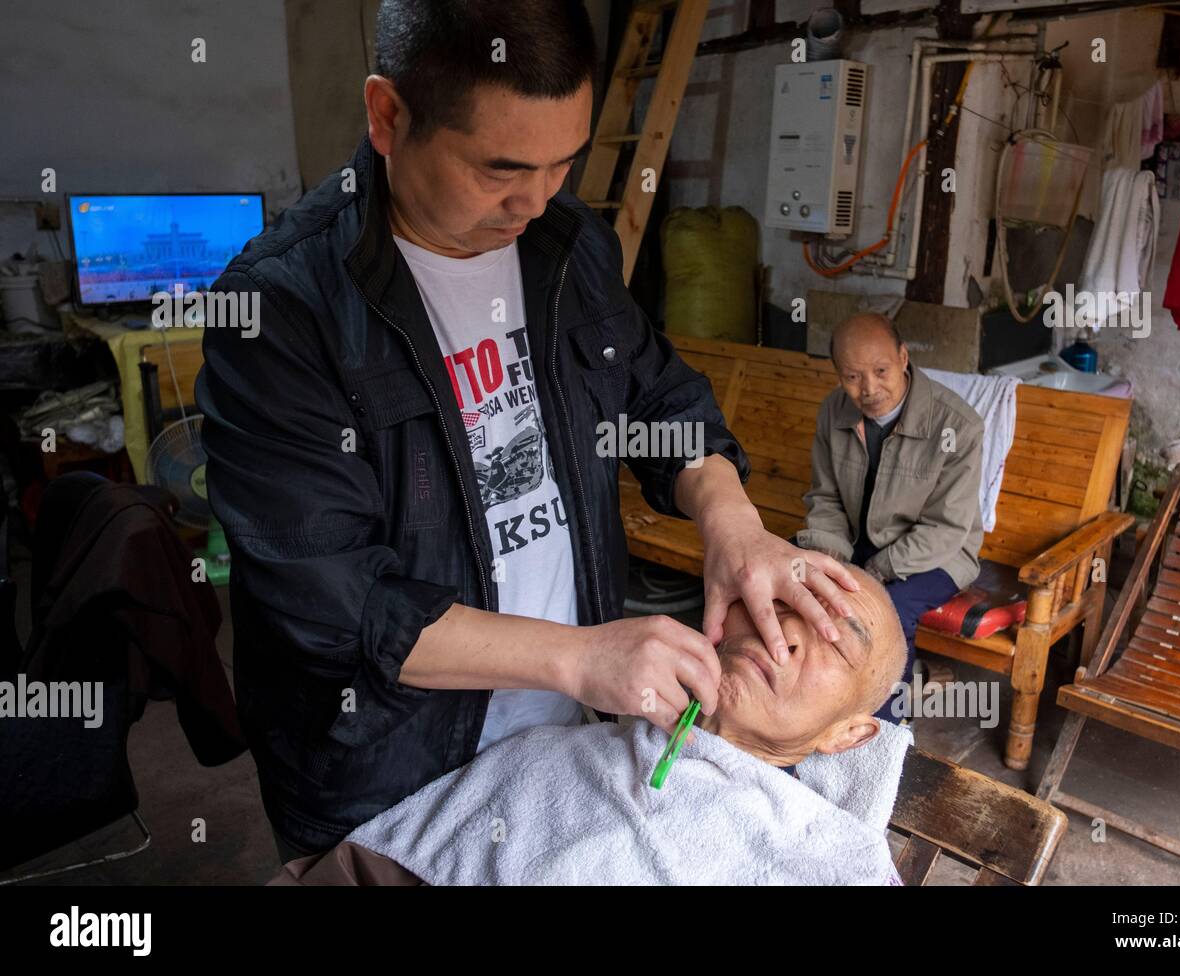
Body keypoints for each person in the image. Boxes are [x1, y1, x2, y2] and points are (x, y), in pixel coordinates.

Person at [196, 0, 860, 861]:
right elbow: (335, 605)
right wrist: (580, 658)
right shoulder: (281, 313)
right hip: (387, 771)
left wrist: (734, 528)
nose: (535, 199)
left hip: (561, 735)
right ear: (388, 116)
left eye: (562, 163)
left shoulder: (566, 242)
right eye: (500, 168)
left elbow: (659, 400)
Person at [276, 564, 912, 885]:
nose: (782, 635)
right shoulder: (551, 758)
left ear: (850, 734)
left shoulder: (828, 857)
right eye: (779, 605)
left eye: (837, 643)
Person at [799, 313, 984, 719]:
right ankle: (821, 710)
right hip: (860, 545)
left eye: (880, 371)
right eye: (851, 377)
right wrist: (831, 562)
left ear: (903, 358)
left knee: (888, 610)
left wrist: (873, 570)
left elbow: (945, 528)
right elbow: (826, 498)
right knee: (804, 589)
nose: (868, 389)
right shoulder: (834, 412)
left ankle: (884, 728)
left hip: (939, 556)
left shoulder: (958, 426)